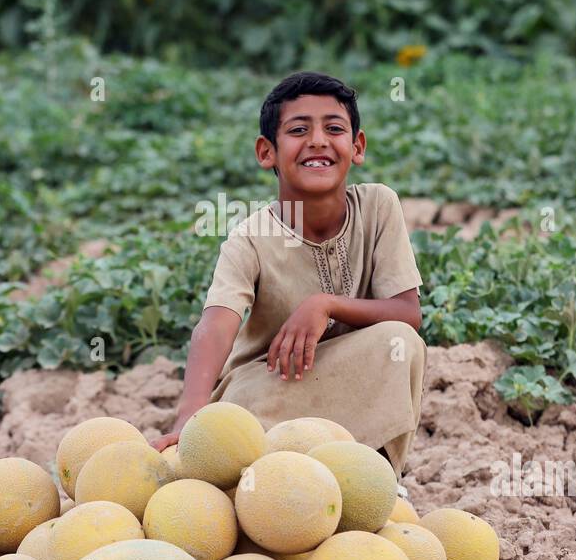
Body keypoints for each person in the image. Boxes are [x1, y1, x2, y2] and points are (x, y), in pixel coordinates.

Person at [151, 70, 427, 477]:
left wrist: (326, 304)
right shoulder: (251, 237)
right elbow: (215, 326)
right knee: (241, 440)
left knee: (399, 343)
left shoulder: (378, 206)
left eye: (333, 128)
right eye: (299, 130)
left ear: (357, 146)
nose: (317, 141)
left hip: (345, 386)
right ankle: (259, 476)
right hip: (266, 393)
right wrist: (189, 419)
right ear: (267, 153)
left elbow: (408, 313)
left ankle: (375, 477)